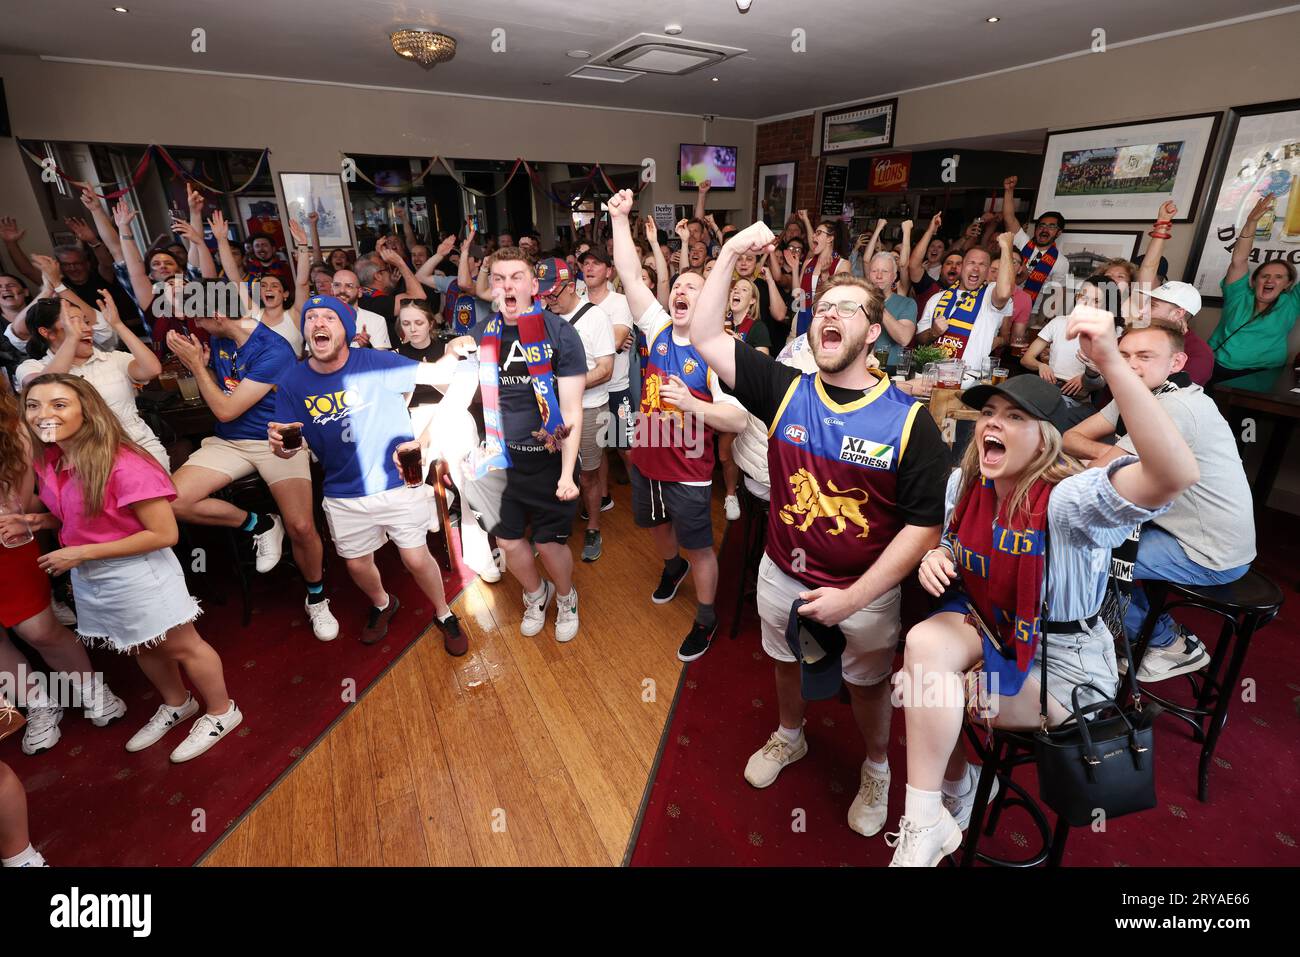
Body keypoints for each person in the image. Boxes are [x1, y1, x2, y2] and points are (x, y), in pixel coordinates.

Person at [891, 308, 1199, 866]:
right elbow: (959, 546)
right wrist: (939, 555)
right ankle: (928, 816)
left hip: (1067, 660)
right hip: (995, 626)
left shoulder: (1068, 499)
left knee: (927, 692)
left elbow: (1172, 475)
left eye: (1015, 416)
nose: (992, 424)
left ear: (1045, 439)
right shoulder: (967, 482)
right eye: (989, 412)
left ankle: (946, 802)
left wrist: (1109, 358)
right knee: (919, 649)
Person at [691, 223, 948, 838]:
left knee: (864, 685)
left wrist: (853, 600)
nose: (829, 314)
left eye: (847, 309)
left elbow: (922, 531)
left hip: (864, 590)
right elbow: (704, 335)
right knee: (783, 660)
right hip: (782, 571)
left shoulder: (910, 424)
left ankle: (878, 767)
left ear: (875, 329)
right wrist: (729, 253)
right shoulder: (786, 393)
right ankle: (789, 736)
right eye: (822, 307)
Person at [23, 373, 244, 762]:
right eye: (33, 405)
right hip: (93, 574)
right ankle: (178, 703)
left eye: (58, 405)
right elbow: (91, 518)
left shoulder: (123, 464)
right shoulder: (53, 460)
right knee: (137, 644)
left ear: (86, 412)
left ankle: (222, 711)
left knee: (182, 645)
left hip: (138, 570)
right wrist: (44, 522)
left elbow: (164, 533)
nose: (43, 415)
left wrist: (80, 554)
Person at [268, 295, 465, 653]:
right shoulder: (293, 381)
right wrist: (282, 445)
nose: (318, 323)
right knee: (357, 564)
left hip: (395, 483)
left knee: (416, 557)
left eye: (329, 316)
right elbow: (286, 444)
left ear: (345, 328)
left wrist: (452, 351)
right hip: (343, 492)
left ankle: (443, 612)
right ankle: (382, 603)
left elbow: (441, 377)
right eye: (311, 318)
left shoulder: (378, 362)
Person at [1062, 323, 1253, 681]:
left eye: (1145, 356)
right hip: (1175, 530)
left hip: (1211, 552)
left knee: (1085, 555)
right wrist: (1117, 453)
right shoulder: (1135, 394)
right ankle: (1153, 633)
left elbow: (1092, 478)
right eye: (1124, 356)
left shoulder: (1175, 405)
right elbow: (1071, 438)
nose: (1132, 365)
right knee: (1096, 538)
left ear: (1176, 362)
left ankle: (1168, 644)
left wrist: (1113, 459)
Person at [609, 190, 749, 662]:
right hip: (647, 456)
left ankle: (706, 617)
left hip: (689, 469)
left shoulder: (717, 350)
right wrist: (619, 218)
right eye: (678, 287)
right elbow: (629, 273)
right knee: (654, 525)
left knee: (700, 548)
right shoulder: (658, 327)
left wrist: (694, 404)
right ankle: (672, 568)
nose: (681, 292)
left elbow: (739, 417)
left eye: (694, 287)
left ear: (709, 298)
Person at [163, 282, 339, 641]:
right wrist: (205, 362)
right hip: (229, 443)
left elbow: (226, 409)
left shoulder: (273, 351)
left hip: (275, 440)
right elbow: (227, 393)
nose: (194, 324)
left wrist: (197, 366)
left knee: (303, 527)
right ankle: (258, 525)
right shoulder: (221, 337)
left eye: (198, 317)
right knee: (172, 501)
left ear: (216, 315)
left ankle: (317, 598)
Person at [435, 248, 586, 642]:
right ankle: (537, 594)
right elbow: (458, 388)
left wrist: (568, 474)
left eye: (516, 277)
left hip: (551, 459)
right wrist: (451, 353)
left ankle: (567, 597)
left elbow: (571, 411)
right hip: (502, 457)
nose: (507, 286)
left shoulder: (561, 333)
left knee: (549, 544)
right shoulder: (484, 333)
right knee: (507, 540)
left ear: (534, 286)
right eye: (499, 279)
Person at [0, 388, 127, 755]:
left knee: (38, 629)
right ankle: (39, 703)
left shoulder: (15, 427)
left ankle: (91, 689)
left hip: (6, 536)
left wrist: (22, 519)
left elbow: (24, 498)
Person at [15, 293, 168, 471]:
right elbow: (45, 390)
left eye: (86, 322)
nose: (86, 328)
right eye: (73, 322)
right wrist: (72, 338)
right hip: (81, 458)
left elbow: (152, 369)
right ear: (46, 332)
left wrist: (118, 325)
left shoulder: (114, 359)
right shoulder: (31, 367)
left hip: (138, 446)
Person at [537, 258, 615, 563]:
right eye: (543, 295)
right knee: (552, 473)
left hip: (590, 408)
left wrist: (566, 384)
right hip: (551, 410)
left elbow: (606, 369)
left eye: (553, 294)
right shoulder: (542, 318)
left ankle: (593, 526)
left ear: (571, 287)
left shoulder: (596, 318)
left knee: (588, 477)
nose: (548, 301)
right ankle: (556, 527)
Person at [1207, 193, 1300, 384]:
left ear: (1288, 284)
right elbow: (1239, 259)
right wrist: (1250, 222)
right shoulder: (1238, 294)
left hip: (1261, 374)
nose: (1270, 280)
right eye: (1265, 275)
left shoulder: (1291, 302)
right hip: (1217, 366)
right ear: (1254, 280)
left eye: (1279, 277)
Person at [1129, 201, 1213, 385]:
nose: (1142, 310)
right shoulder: (1139, 330)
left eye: (1152, 306)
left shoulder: (1198, 354)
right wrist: (1162, 224)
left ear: (1177, 314)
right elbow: (1147, 271)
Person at [579, 246, 636, 518]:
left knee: (625, 447)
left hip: (615, 387)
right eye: (585, 264)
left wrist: (580, 345)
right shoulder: (577, 300)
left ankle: (644, 495)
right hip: (589, 391)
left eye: (596, 263)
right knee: (597, 448)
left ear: (609, 271)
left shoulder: (619, 302)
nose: (589, 268)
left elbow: (615, 340)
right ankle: (602, 497)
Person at [914, 234, 1016, 382]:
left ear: (988, 272)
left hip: (968, 381)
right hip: (932, 377)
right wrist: (933, 333)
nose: (976, 268)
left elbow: (1005, 291)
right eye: (971, 262)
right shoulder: (937, 298)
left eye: (982, 265)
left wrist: (1007, 247)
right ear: (961, 267)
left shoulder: (989, 295)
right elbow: (920, 339)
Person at [717, 277, 772, 521]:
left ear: (751, 301)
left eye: (744, 290)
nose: (737, 291)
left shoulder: (757, 327)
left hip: (739, 398)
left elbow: (763, 365)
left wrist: (739, 347)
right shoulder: (718, 323)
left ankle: (730, 494)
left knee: (724, 453)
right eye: (734, 288)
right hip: (712, 391)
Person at [1001, 176, 1070, 311]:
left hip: (1030, 311)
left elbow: (1057, 295)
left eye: (1051, 227)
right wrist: (1009, 191)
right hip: (1003, 303)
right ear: (1036, 228)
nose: (1044, 230)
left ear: (1058, 233)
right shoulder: (1022, 242)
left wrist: (1044, 320)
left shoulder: (1061, 262)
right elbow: (1009, 218)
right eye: (1042, 225)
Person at [330, 268, 392, 349]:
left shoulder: (376, 320)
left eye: (349, 286)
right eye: (337, 285)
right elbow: (312, 358)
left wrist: (366, 348)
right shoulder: (319, 319)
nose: (342, 290)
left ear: (359, 292)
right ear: (331, 289)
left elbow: (382, 359)